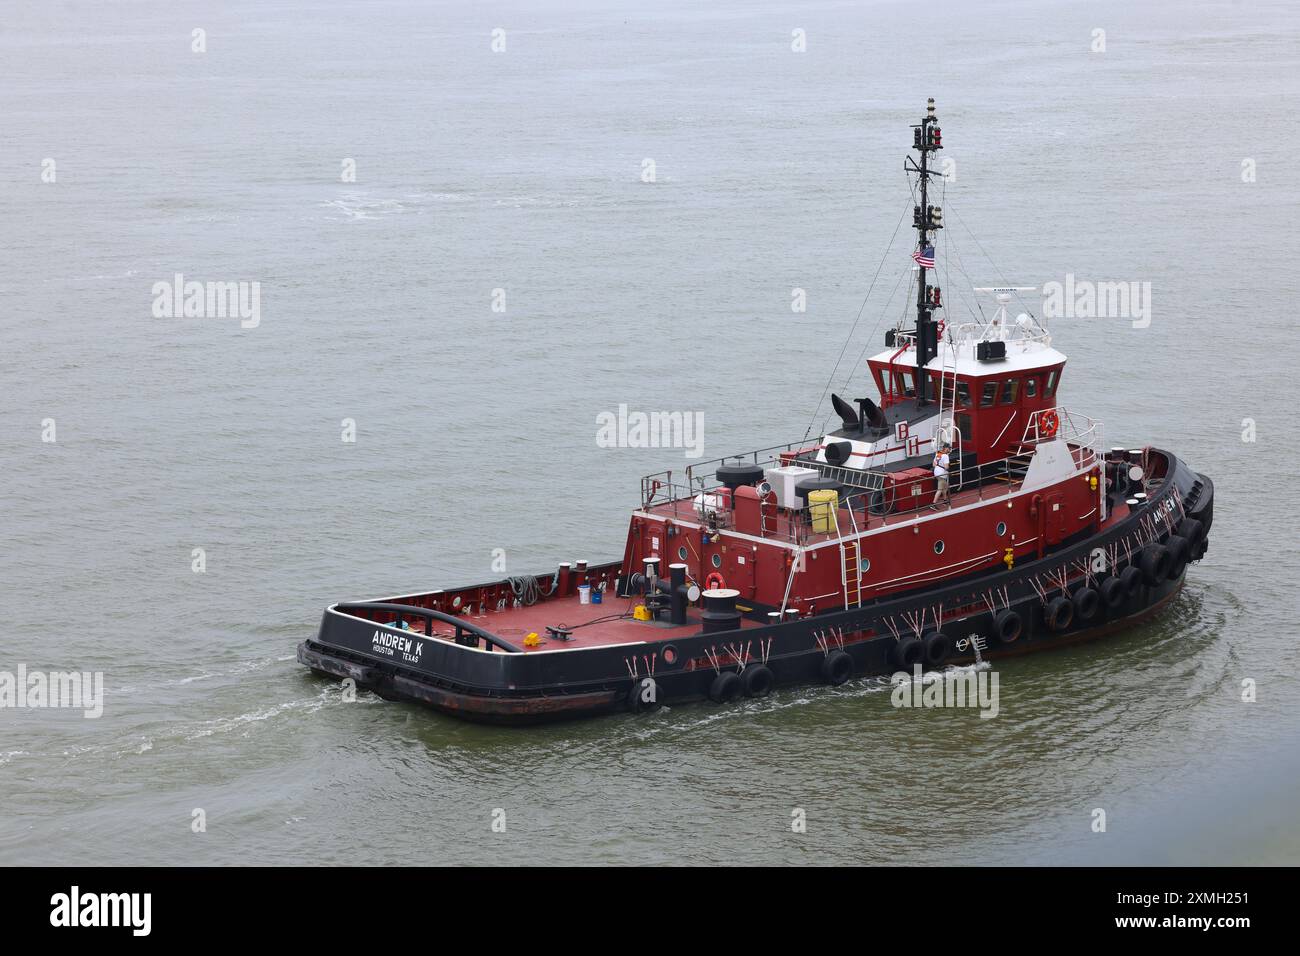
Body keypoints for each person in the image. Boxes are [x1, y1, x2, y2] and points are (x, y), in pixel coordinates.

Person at [932, 443, 951, 508]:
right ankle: (933, 504)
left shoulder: (938, 453)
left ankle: (945, 500)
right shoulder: (946, 456)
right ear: (946, 448)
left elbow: (934, 464)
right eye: (949, 448)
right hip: (942, 474)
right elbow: (946, 467)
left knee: (945, 487)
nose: (949, 449)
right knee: (940, 489)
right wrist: (948, 470)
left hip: (936, 472)